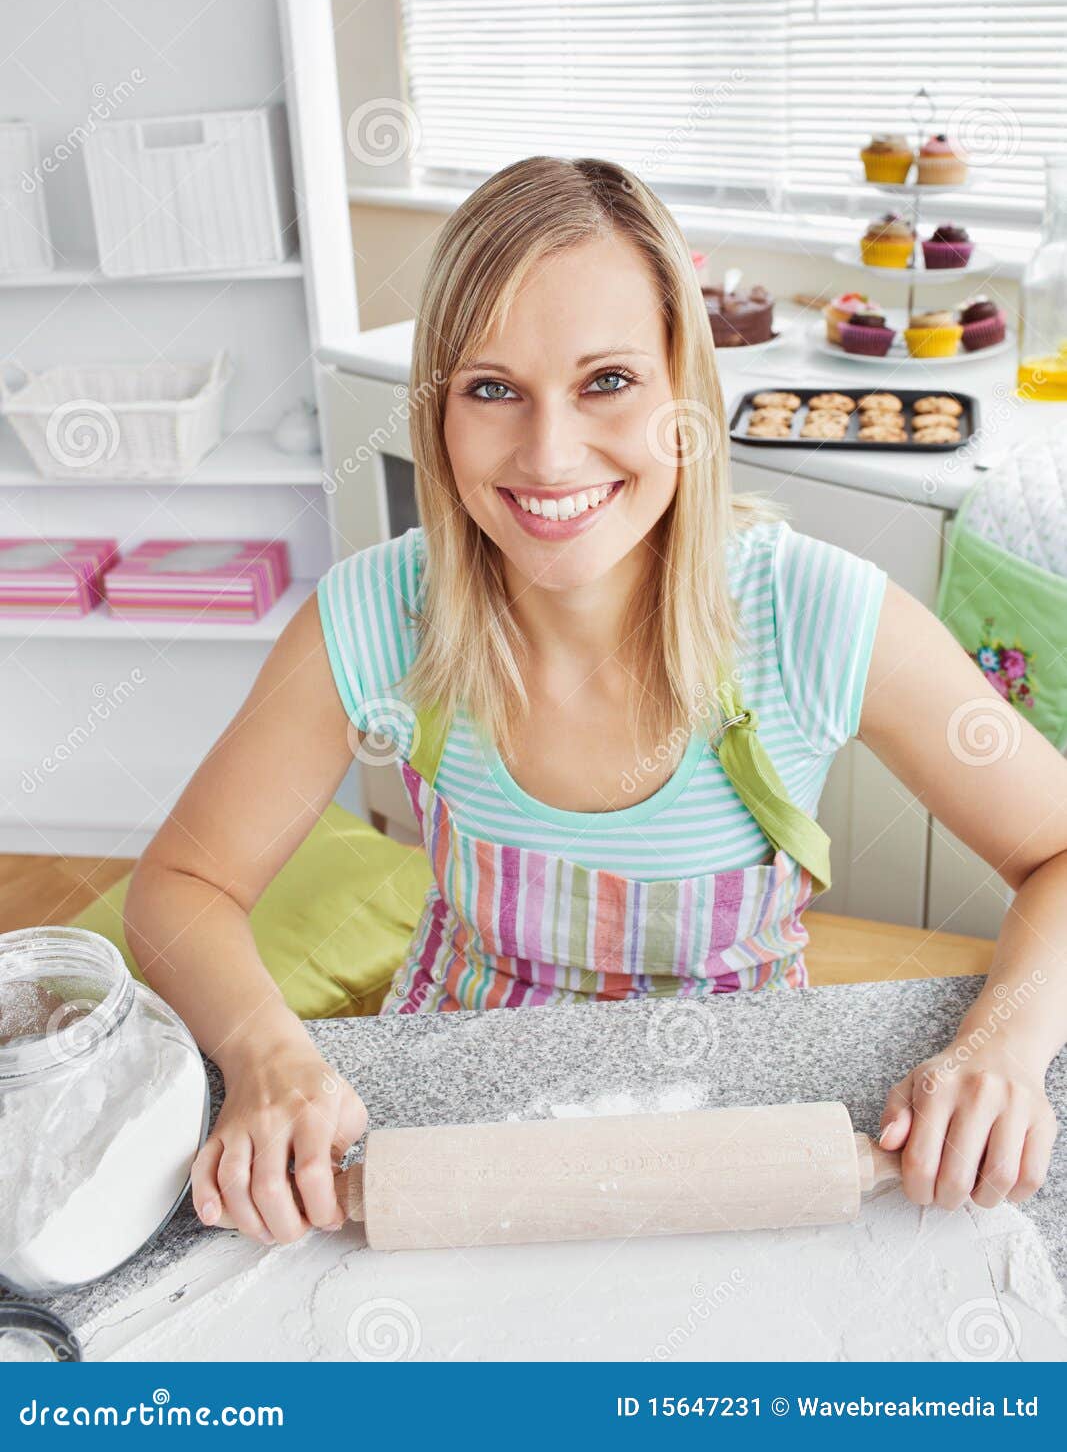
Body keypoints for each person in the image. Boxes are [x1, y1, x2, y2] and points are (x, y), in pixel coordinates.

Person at [126, 157, 1067, 1248]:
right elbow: (181, 883)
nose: (547, 452)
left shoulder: (813, 611)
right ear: (437, 416)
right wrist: (268, 1051)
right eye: (491, 389)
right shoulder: (379, 613)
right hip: (453, 1114)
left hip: (736, 1123)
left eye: (606, 380)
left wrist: (1002, 1044)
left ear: (684, 393)